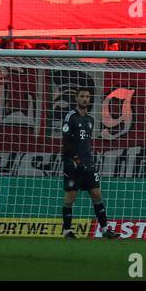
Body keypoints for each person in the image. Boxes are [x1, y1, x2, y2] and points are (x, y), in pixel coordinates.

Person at [60, 85, 120, 239]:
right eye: (82, 96)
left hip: (88, 164)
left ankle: (105, 229)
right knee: (70, 198)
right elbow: (66, 140)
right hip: (72, 164)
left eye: (87, 97)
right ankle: (67, 231)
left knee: (97, 194)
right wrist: (74, 158)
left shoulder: (90, 119)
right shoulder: (70, 116)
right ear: (76, 98)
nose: (85, 99)